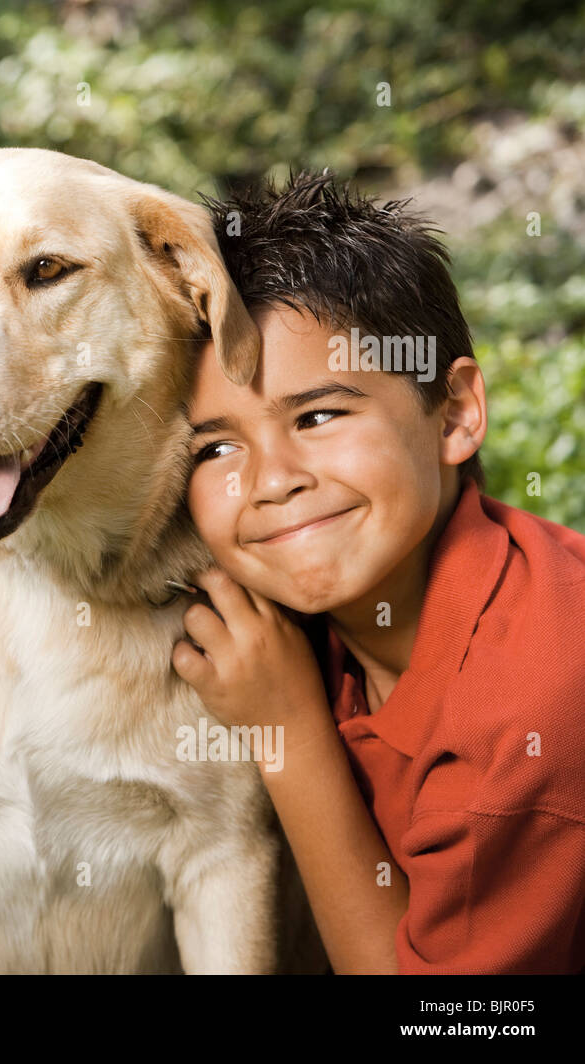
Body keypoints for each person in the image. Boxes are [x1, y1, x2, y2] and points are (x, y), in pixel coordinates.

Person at [171, 171, 585, 974]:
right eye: (215, 447)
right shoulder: (302, 614)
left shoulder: (526, 714)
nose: (269, 480)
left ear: (456, 413)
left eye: (319, 415)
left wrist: (286, 730)